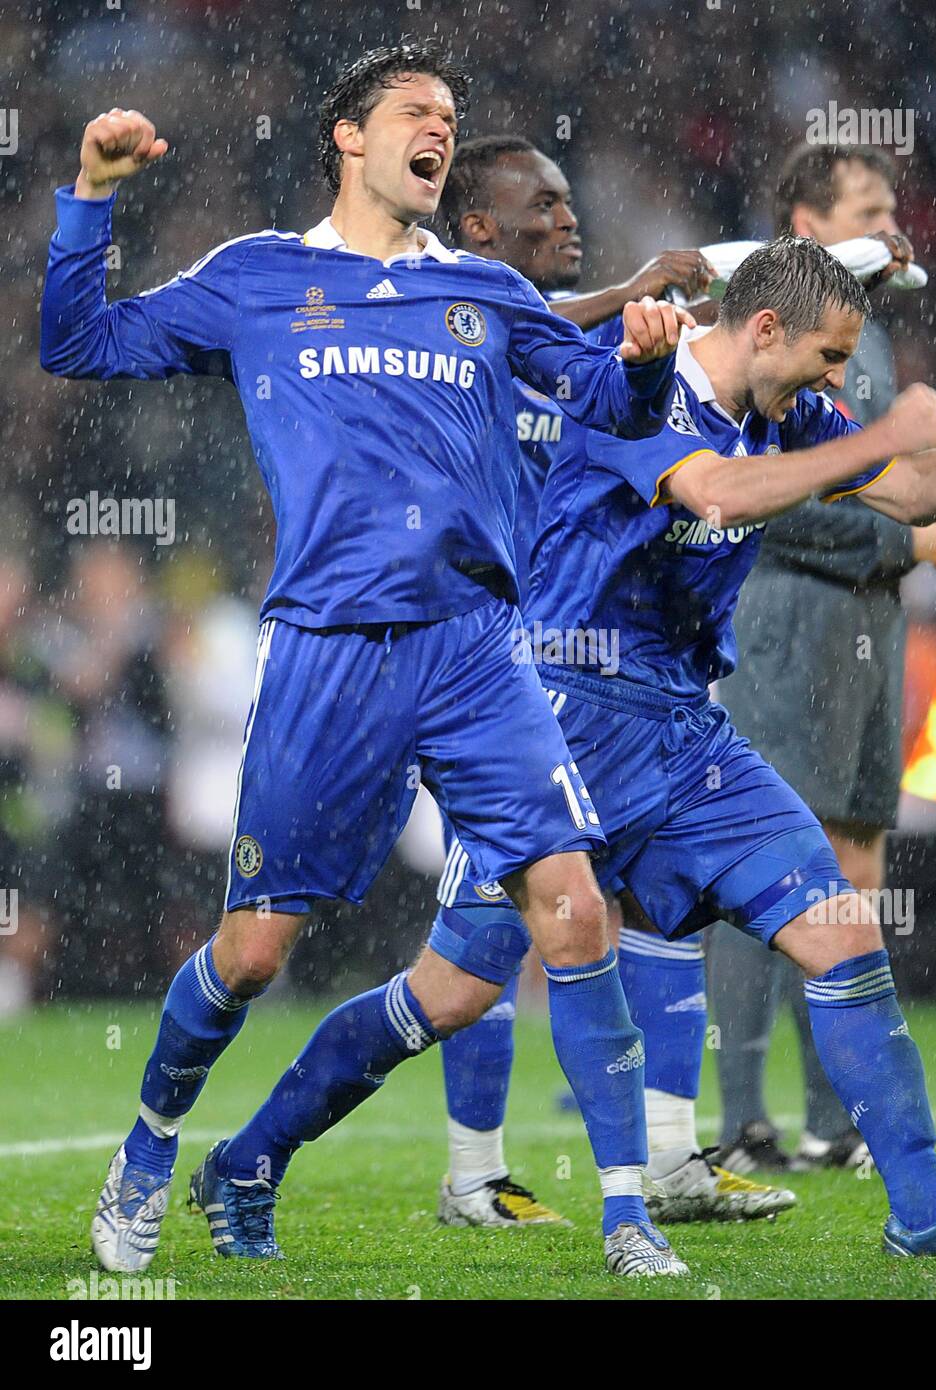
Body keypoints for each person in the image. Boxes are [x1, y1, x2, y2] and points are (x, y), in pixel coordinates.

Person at [41, 40, 694, 1279]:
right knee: (252, 953)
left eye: (450, 114)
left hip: (473, 647)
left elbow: (611, 410)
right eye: (414, 110)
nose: (438, 129)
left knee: (572, 901)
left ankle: (626, 1214)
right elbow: (78, 345)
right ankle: (150, 1147)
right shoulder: (261, 278)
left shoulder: (488, 295)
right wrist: (92, 194)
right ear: (349, 135)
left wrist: (650, 361)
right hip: (330, 653)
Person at [341, 229, 936, 1257]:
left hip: (685, 733)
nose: (838, 378)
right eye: (828, 356)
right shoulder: (632, 387)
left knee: (839, 927)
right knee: (450, 987)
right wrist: (879, 438)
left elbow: (909, 489)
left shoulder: (789, 413)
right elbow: (721, 494)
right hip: (557, 718)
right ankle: (264, 1148)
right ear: (766, 326)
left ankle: (920, 1208)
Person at [428, 134, 797, 1228]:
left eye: (568, 194)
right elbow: (494, 327)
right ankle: (470, 1172)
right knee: (492, 910)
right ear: (478, 229)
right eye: (539, 203)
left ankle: (674, 1156)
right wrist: (633, 293)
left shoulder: (586, 358)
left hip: (620, 663)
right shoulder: (451, 319)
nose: (566, 213)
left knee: (659, 900)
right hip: (489, 659)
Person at [709, 143, 936, 1175]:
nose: (894, 224)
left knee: (853, 861)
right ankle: (739, 1118)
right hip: (788, 621)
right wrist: (906, 542)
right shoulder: (768, 333)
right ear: (808, 226)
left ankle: (830, 1115)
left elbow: (883, 486)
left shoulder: (868, 332)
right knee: (766, 865)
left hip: (865, 626)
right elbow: (775, 509)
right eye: (869, 208)